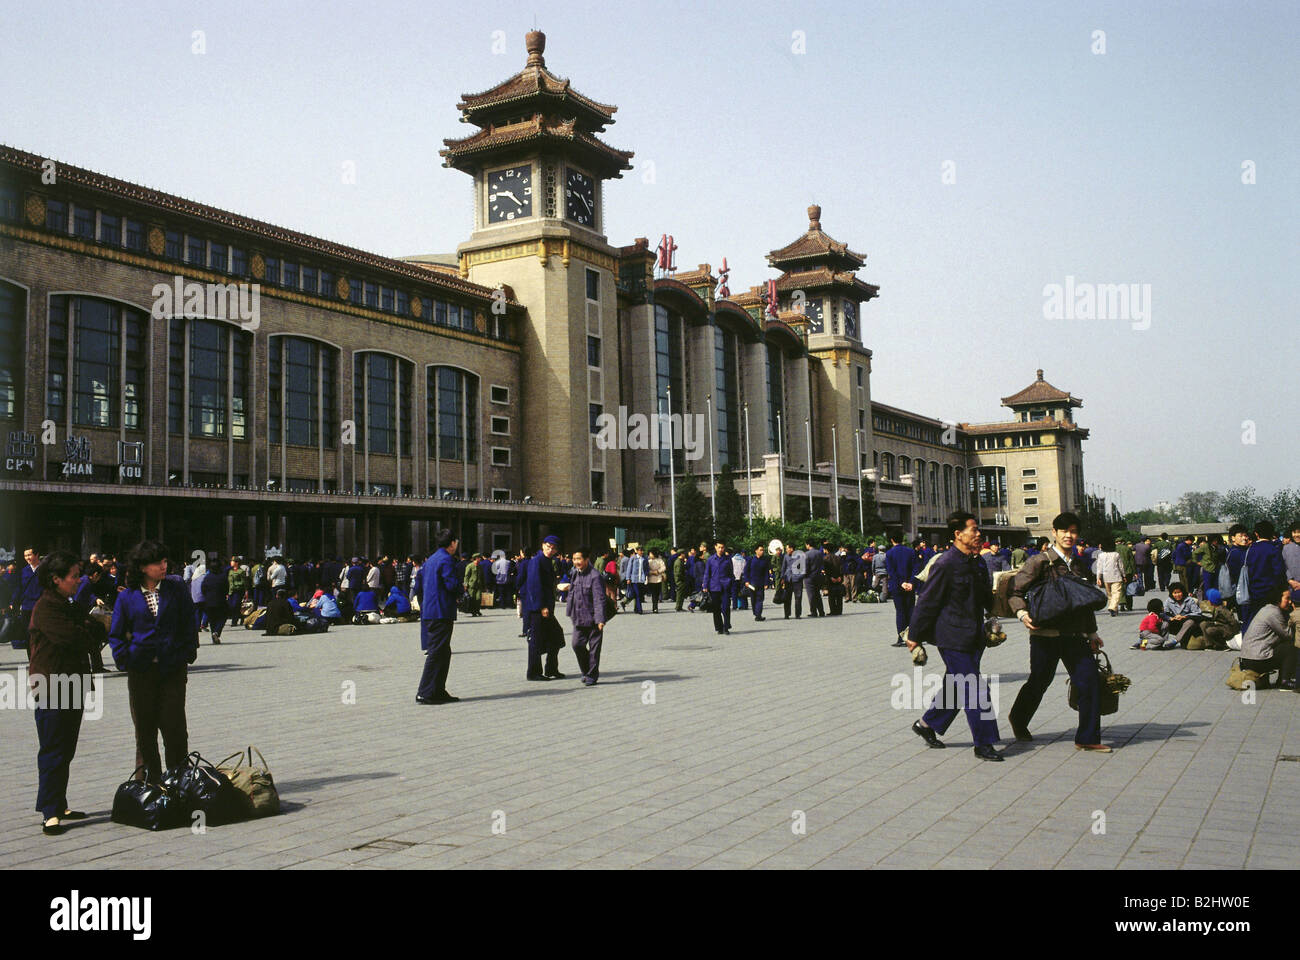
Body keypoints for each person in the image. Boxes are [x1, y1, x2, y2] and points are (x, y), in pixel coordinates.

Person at [1006, 512, 1109, 752]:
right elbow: (1014, 591)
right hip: (1045, 636)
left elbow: (1083, 603)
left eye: (1073, 531)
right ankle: (1018, 718)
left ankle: (1087, 737)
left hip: (1074, 636)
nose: (1069, 536)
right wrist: (1022, 614)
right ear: (1054, 533)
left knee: (1089, 681)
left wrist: (1092, 634)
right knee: (1040, 681)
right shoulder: (1039, 561)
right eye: (1064, 531)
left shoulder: (1079, 564)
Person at [908, 512, 1002, 761]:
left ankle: (927, 724)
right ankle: (984, 743)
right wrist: (914, 636)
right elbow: (927, 602)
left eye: (978, 528)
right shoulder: (945, 563)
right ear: (958, 534)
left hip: (974, 635)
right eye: (973, 529)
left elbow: (985, 599)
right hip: (952, 637)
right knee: (974, 688)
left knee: (956, 685)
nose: (978, 533)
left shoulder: (978, 562)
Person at [108, 540, 199, 780]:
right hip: (141, 671)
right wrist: (124, 660)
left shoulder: (175, 590)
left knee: (175, 728)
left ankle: (179, 779)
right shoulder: (127, 597)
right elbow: (116, 634)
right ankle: (151, 782)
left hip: (172, 669)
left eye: (165, 561)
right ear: (141, 567)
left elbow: (189, 622)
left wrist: (188, 652)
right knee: (145, 730)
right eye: (157, 562)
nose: (163, 566)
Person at [28, 550, 103, 835]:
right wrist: (88, 628)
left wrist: (89, 628)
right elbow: (76, 637)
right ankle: (49, 812)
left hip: (72, 684)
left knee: (66, 748)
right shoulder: (46, 607)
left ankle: (59, 803)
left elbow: (91, 632)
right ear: (56, 579)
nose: (78, 580)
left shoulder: (66, 604)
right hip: (51, 686)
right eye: (73, 576)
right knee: (52, 749)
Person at [416, 529, 462, 704]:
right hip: (441, 611)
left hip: (431, 610)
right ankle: (425, 691)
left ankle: (438, 689)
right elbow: (450, 583)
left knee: (443, 651)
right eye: (455, 542)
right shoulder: (446, 560)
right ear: (452, 544)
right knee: (437, 652)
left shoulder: (431, 560)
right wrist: (460, 588)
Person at [519, 536, 565, 680]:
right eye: (548, 546)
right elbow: (534, 585)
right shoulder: (536, 561)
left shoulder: (548, 561)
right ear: (542, 545)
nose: (550, 550)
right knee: (536, 641)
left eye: (553, 548)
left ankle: (551, 669)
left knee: (556, 637)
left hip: (546, 608)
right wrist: (542, 606)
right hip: (537, 608)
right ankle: (533, 672)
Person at [1239, 588, 1296, 689]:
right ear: (1278, 599)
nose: (1290, 601)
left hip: (1248, 658)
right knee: (1290, 647)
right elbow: (1289, 634)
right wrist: (1295, 616)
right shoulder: (1274, 613)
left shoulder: (1266, 609)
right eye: (1287, 598)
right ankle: (1284, 681)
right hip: (1257, 659)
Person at [566, 548, 608, 685]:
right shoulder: (574, 573)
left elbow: (599, 599)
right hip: (578, 617)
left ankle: (591, 675)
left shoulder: (595, 576)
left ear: (586, 559)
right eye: (574, 559)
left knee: (594, 650)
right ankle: (586, 670)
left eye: (579, 559)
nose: (576, 562)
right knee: (576, 645)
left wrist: (600, 619)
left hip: (593, 619)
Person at [1241, 521, 1287, 632]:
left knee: (1255, 619)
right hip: (1271, 592)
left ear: (1256, 534)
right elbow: (1279, 572)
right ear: (1272, 534)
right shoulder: (1274, 549)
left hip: (1254, 592)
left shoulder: (1250, 549)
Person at [885, 530, 921, 647]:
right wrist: (911, 582)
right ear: (902, 539)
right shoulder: (911, 552)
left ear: (892, 540)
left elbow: (891, 571)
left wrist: (901, 583)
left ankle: (901, 638)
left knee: (900, 611)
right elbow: (916, 568)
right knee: (910, 610)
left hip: (897, 586)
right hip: (910, 587)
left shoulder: (890, 553)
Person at [11, 547, 42, 650]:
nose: (27, 558)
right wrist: (13, 602)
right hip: (27, 607)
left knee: (42, 635)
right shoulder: (24, 571)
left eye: (29, 555)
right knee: (28, 636)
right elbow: (18, 588)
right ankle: (32, 661)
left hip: (41, 606)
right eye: (25, 556)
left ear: (37, 555)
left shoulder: (44, 570)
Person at [704, 540, 734, 635]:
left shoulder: (727, 559)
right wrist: (705, 585)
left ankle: (726, 626)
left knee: (726, 607)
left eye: (722, 547)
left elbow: (731, 572)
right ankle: (719, 627)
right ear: (715, 547)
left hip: (725, 586)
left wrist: (731, 582)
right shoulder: (711, 560)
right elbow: (707, 573)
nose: (721, 549)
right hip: (714, 587)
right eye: (719, 547)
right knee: (716, 609)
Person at [1162, 583, 1203, 649]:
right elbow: (1164, 613)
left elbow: (1198, 612)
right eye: (1175, 593)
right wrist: (1171, 618)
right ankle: (1161, 642)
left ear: (1182, 592)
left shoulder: (1189, 600)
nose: (1177, 595)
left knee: (1190, 622)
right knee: (1164, 623)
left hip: (1187, 625)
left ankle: (1175, 641)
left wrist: (1184, 616)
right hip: (1175, 623)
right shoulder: (1168, 601)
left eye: (1179, 592)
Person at [199, 561, 229, 644]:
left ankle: (213, 635)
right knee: (223, 617)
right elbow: (226, 588)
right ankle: (217, 632)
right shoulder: (222, 577)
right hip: (220, 601)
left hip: (209, 602)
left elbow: (203, 589)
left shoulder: (207, 577)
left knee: (212, 620)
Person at [1094, 539, 1124, 618]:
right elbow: (1121, 566)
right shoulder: (1116, 554)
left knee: (1110, 594)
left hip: (1106, 577)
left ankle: (1114, 610)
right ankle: (1112, 607)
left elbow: (1099, 567)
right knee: (1116, 593)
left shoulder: (1101, 555)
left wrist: (1098, 578)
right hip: (1116, 576)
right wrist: (1124, 575)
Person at [744, 544, 772, 621]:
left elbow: (767, 572)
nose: (762, 551)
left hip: (761, 583)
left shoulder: (765, 560)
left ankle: (758, 615)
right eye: (760, 550)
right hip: (752, 583)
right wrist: (746, 581)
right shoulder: (751, 559)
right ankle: (756, 613)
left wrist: (767, 583)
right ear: (756, 551)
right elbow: (746, 571)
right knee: (753, 599)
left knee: (760, 599)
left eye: (763, 550)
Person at [781, 543, 805, 619]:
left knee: (798, 597)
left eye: (787, 548)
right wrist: (782, 578)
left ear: (792, 549)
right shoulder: (786, 556)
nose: (786, 550)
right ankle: (787, 614)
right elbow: (783, 567)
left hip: (797, 579)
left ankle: (798, 614)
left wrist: (800, 577)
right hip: (788, 579)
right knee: (787, 598)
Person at [803, 539, 826, 618]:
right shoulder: (819, 553)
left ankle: (813, 611)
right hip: (818, 575)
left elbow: (805, 567)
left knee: (811, 595)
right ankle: (821, 611)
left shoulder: (807, 554)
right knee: (817, 594)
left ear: (808, 545)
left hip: (809, 577)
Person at [626, 546, 646, 614]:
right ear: (637, 551)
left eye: (642, 550)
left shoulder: (644, 559)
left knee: (640, 594)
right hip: (634, 579)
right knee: (637, 594)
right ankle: (640, 609)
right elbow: (629, 568)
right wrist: (628, 578)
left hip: (642, 579)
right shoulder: (633, 558)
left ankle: (637, 608)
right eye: (640, 550)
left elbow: (646, 568)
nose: (641, 552)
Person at [646, 548, 665, 613]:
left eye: (651, 554)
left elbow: (663, 567)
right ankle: (654, 607)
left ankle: (655, 607)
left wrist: (658, 571)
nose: (650, 555)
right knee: (653, 594)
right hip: (651, 579)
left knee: (657, 594)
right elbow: (646, 569)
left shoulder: (660, 560)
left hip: (658, 579)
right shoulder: (648, 561)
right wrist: (652, 572)